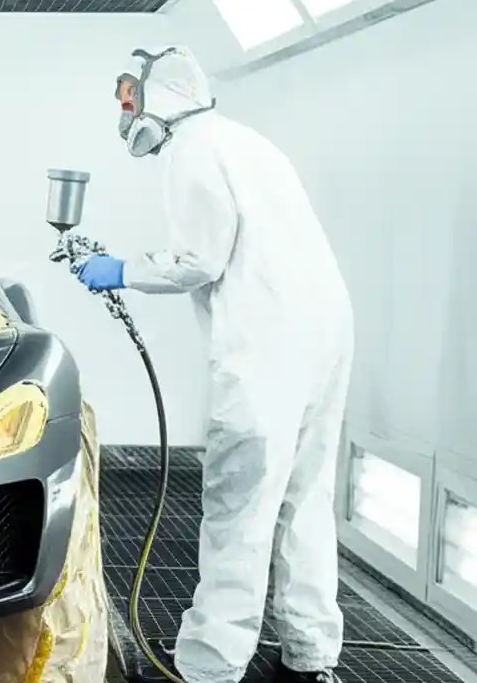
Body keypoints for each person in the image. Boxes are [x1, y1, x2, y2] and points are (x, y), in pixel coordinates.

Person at [77, 47, 354, 683]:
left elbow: (199, 257)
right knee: (304, 499)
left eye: (128, 93)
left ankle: (210, 666)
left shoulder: (191, 149)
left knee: (239, 503)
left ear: (161, 95)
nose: (124, 108)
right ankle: (311, 658)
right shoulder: (248, 142)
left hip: (268, 346)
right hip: (326, 334)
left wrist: (122, 269)